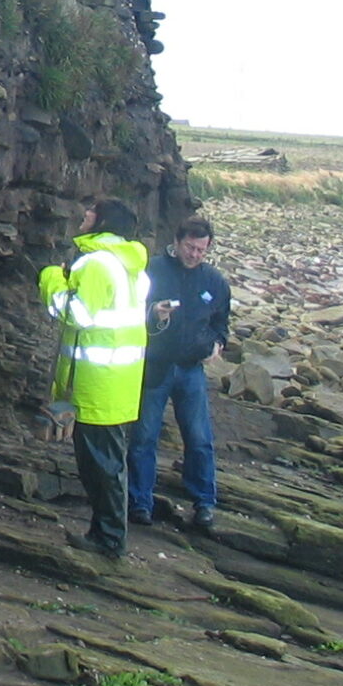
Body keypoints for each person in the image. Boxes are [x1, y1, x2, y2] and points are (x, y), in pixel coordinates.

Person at [38, 197, 151, 558]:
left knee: (101, 466)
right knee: (108, 463)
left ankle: (109, 538)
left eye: (90, 212)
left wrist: (52, 278)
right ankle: (107, 533)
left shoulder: (98, 263)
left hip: (96, 382)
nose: (84, 216)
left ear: (102, 221)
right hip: (119, 382)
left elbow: (77, 314)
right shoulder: (130, 266)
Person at [130, 218, 232, 532]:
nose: (194, 254)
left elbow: (221, 324)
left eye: (201, 249)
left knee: (200, 439)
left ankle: (204, 504)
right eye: (190, 247)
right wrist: (151, 315)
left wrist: (217, 344)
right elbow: (129, 310)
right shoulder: (152, 270)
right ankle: (139, 503)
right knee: (144, 437)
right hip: (154, 365)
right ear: (177, 241)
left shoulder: (215, 281)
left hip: (191, 369)